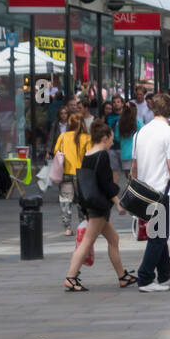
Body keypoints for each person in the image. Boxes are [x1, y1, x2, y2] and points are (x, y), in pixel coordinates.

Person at [62, 122, 135, 292]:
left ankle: (122, 276)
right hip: (99, 207)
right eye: (110, 137)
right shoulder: (102, 155)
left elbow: (86, 184)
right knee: (87, 241)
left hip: (92, 205)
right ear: (104, 138)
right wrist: (118, 204)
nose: (112, 141)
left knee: (113, 239)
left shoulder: (88, 154)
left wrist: (85, 209)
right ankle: (71, 277)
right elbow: (106, 184)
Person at [131, 92, 170, 293]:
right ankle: (145, 278)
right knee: (158, 237)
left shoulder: (139, 133)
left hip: (142, 190)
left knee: (159, 234)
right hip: (160, 191)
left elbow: (134, 166)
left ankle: (164, 275)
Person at [52, 112, 88, 236]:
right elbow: (89, 156)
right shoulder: (86, 138)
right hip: (81, 174)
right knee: (81, 201)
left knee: (65, 201)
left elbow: (56, 152)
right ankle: (82, 225)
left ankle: (67, 228)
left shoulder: (62, 136)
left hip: (66, 173)